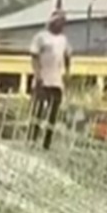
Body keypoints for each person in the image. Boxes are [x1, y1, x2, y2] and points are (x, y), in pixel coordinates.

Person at [29, 11, 71, 149]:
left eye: (63, 22)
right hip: (42, 79)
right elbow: (34, 57)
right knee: (38, 110)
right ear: (52, 22)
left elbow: (67, 56)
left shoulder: (63, 40)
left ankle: (47, 143)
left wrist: (67, 73)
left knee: (53, 112)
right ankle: (32, 139)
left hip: (57, 81)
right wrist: (37, 74)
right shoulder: (41, 37)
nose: (61, 25)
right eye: (58, 21)